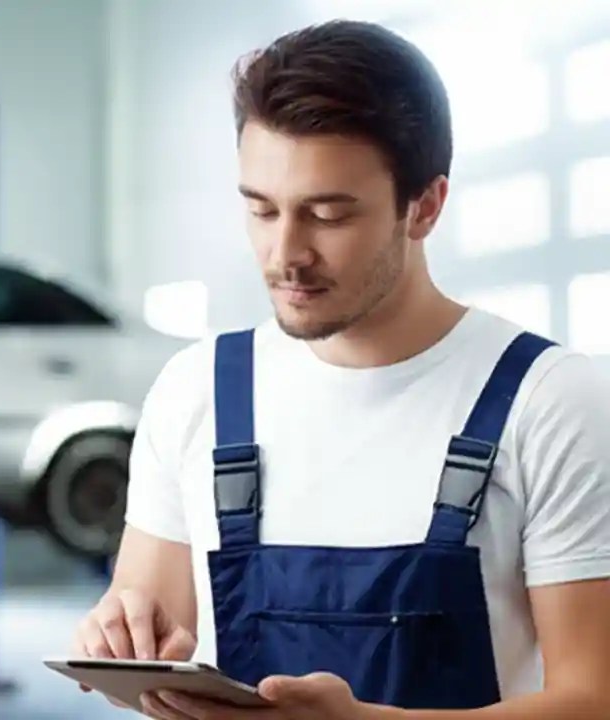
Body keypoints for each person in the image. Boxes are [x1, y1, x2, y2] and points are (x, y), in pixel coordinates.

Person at [72, 18, 610, 720]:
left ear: (424, 206)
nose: (284, 254)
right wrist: (122, 637)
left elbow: (594, 699)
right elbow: (147, 623)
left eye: (326, 215)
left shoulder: (552, 402)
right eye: (261, 210)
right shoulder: (195, 390)